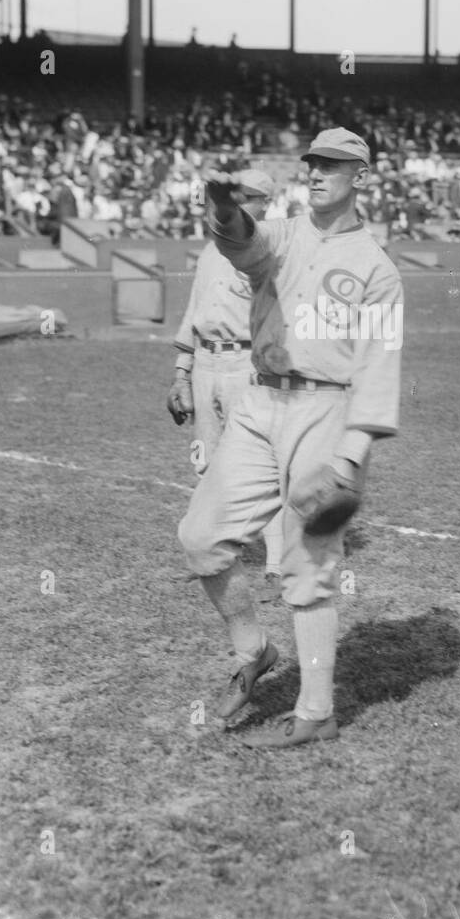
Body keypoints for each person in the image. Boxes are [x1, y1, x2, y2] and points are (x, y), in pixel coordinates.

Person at [177, 128, 403, 748]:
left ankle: (315, 713)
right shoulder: (281, 235)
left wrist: (350, 461)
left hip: (325, 410)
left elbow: (380, 369)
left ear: (360, 176)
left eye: (332, 164)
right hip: (259, 400)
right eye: (311, 163)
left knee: (308, 567)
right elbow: (243, 246)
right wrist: (226, 212)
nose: (317, 171)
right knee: (200, 537)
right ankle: (256, 648)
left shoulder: (376, 269)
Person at [167, 169, 283, 603]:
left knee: (261, 463)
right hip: (206, 364)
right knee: (207, 462)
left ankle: (276, 567)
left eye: (244, 197)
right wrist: (182, 371)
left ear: (264, 202)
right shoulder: (211, 250)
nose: (230, 204)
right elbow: (194, 313)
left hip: (245, 361)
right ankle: (211, 559)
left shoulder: (268, 250)